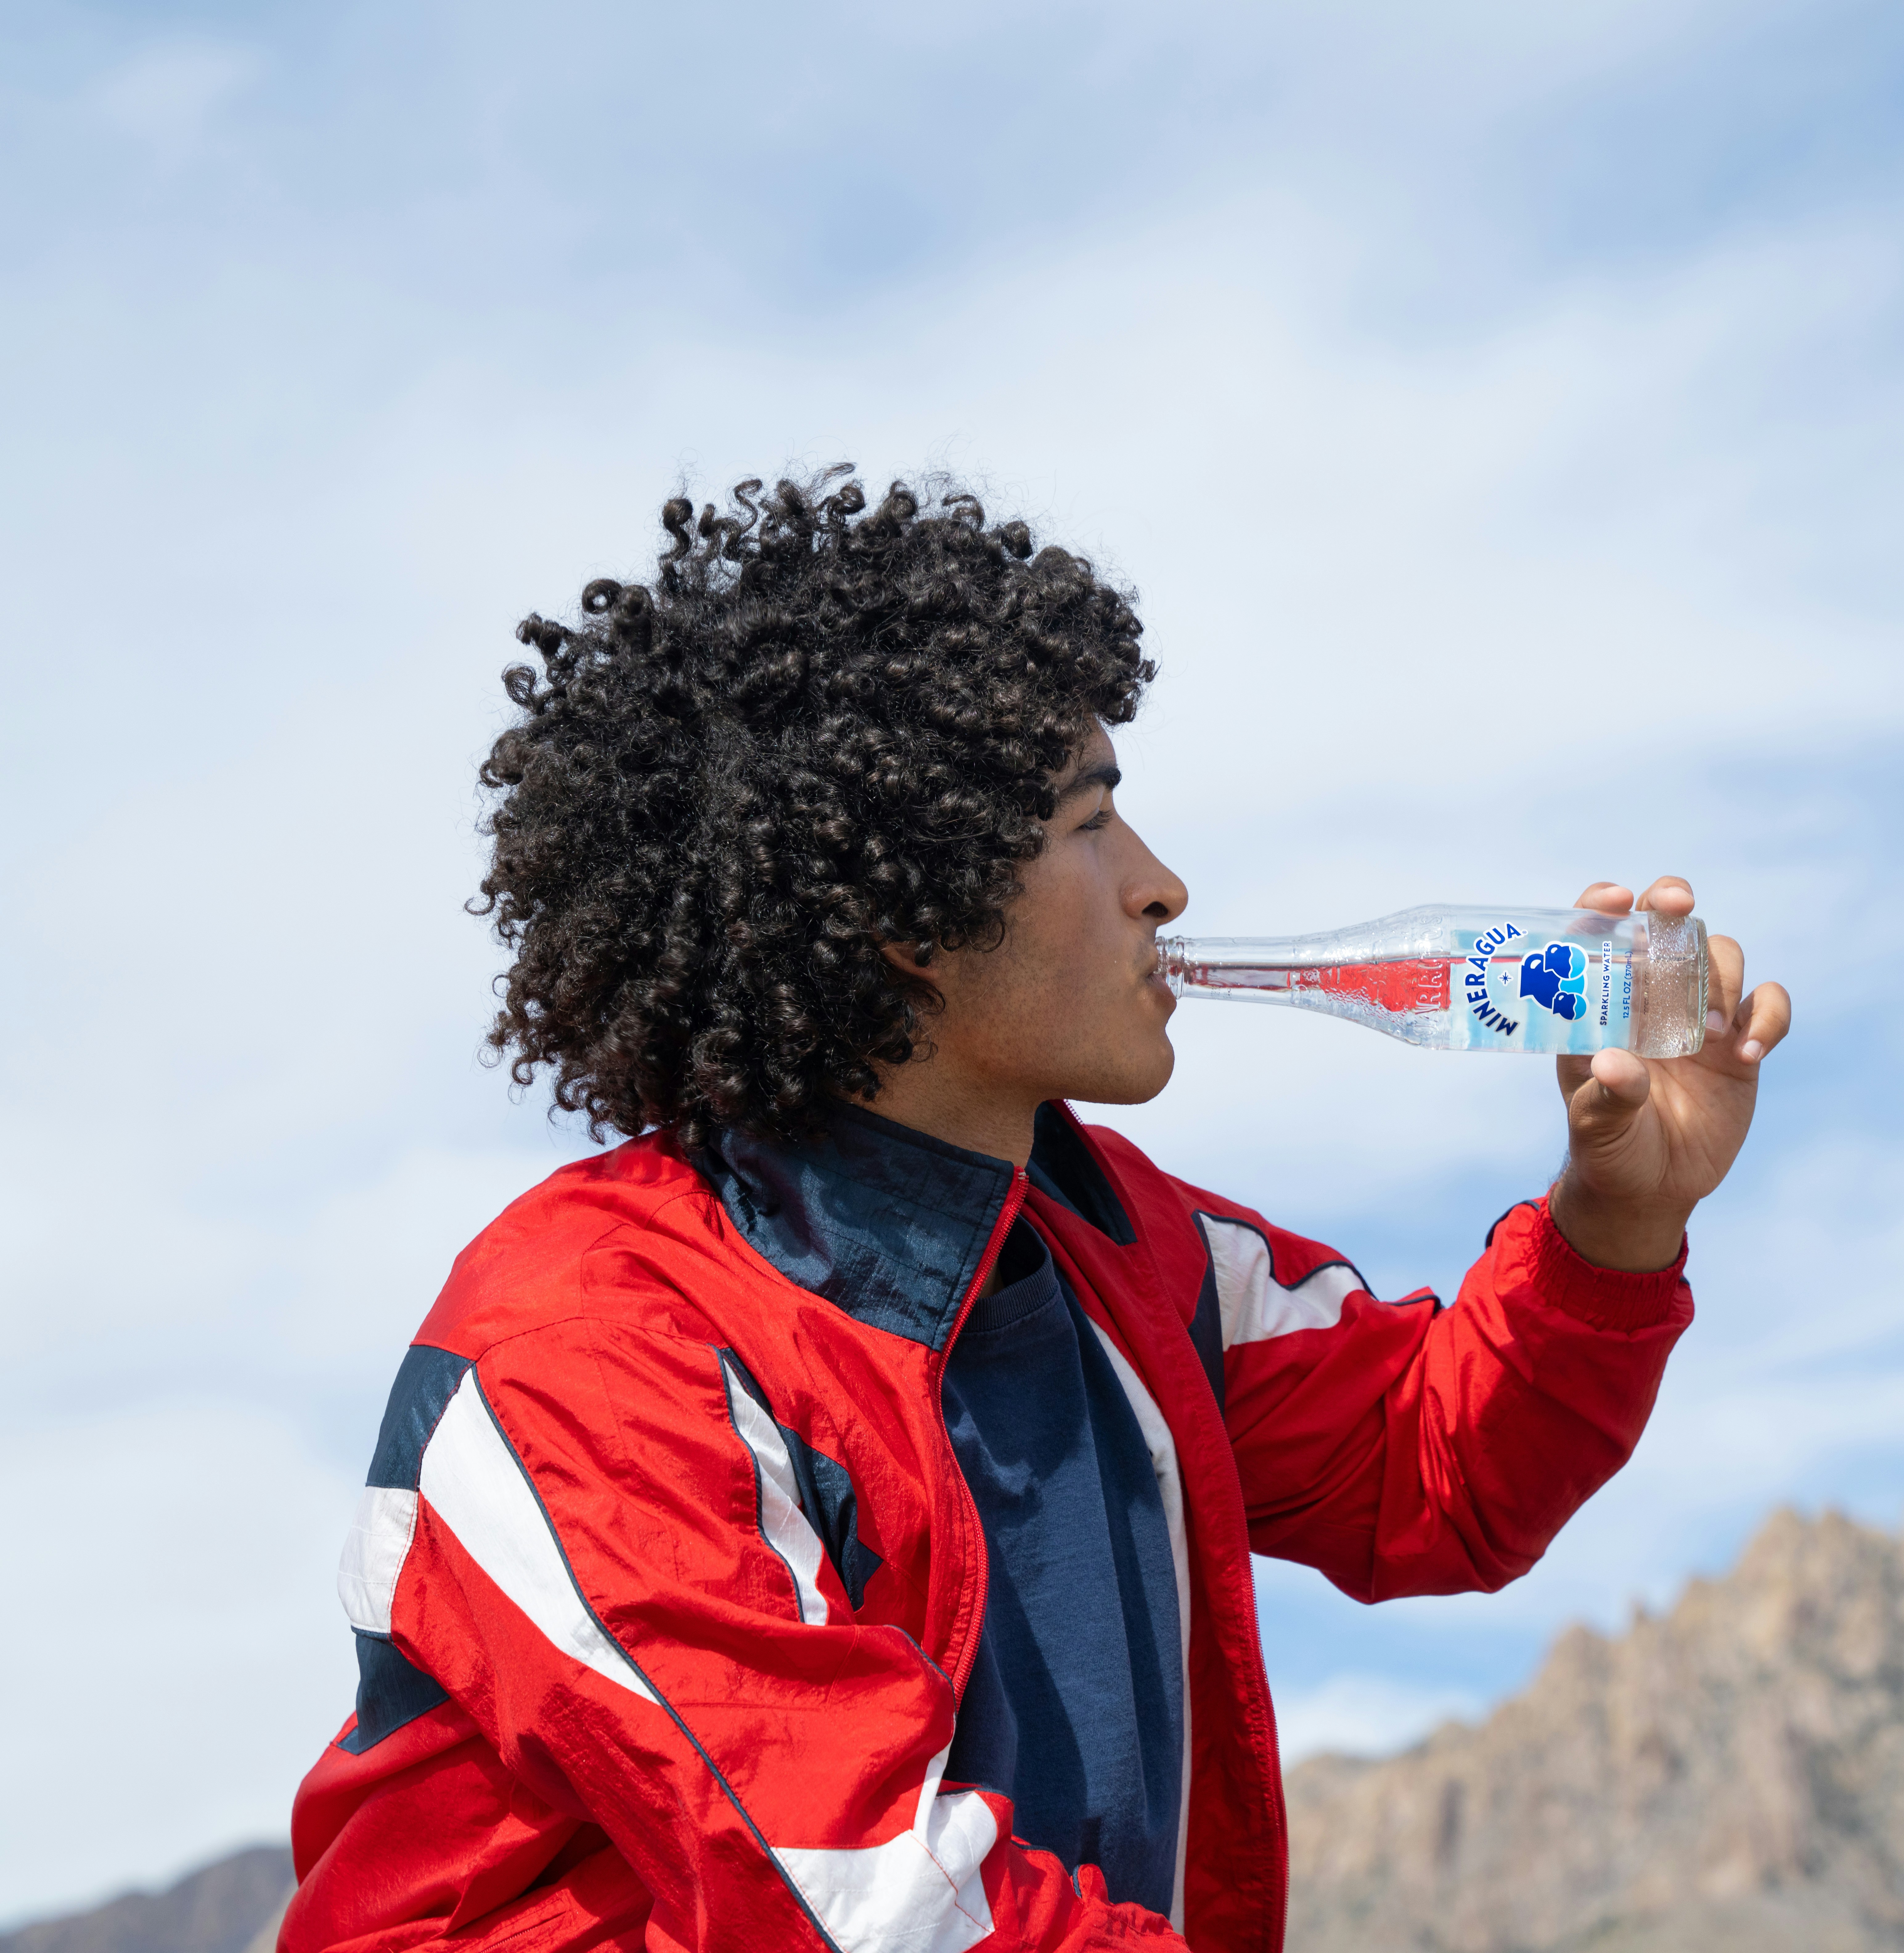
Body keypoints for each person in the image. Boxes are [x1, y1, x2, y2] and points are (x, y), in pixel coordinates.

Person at [278, 471, 1792, 1953]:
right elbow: (869, 1910)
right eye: (1091, 825)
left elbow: (1430, 1473)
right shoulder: (590, 1348)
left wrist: (1615, 1225)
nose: (1166, 886)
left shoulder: (1126, 1246)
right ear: (903, 914)